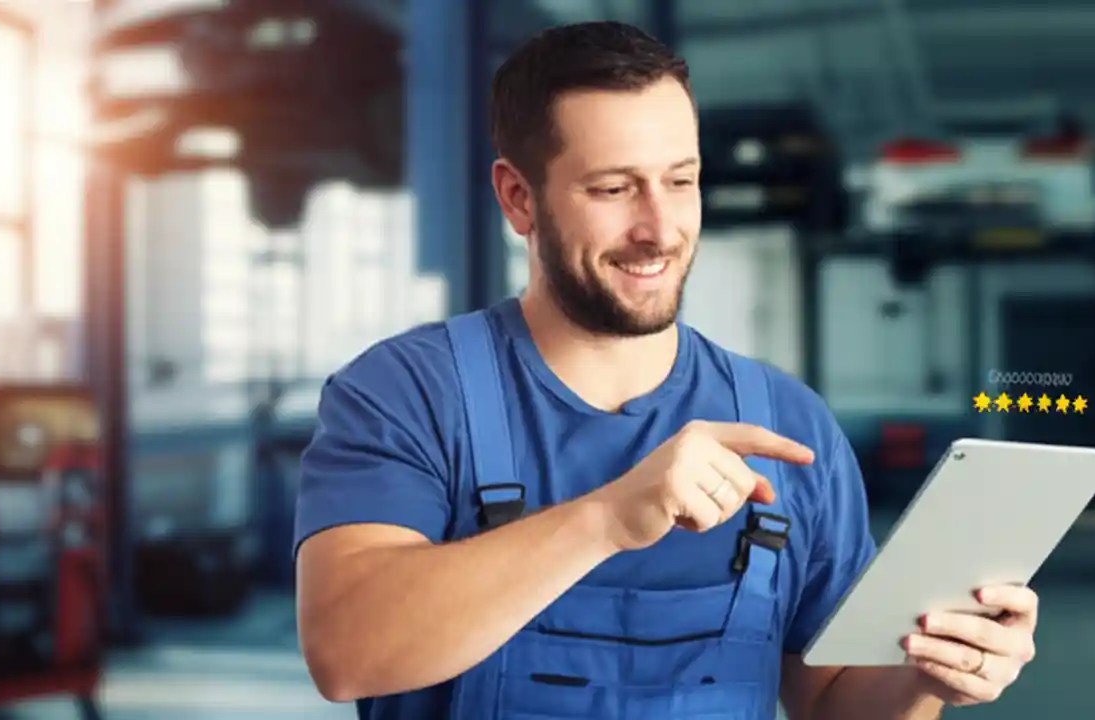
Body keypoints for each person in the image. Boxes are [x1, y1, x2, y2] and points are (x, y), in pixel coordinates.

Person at [294, 21, 1039, 720]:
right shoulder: (407, 394)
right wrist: (607, 518)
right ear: (519, 198)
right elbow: (347, 651)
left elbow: (834, 700)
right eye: (614, 189)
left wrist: (929, 674)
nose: (659, 229)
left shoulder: (786, 423)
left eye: (680, 182)